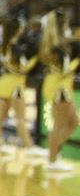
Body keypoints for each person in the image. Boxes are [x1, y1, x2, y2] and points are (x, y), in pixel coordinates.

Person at [37, 12, 77, 174]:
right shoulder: (58, 46)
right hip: (60, 87)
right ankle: (52, 160)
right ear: (62, 25)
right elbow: (65, 70)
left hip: (59, 85)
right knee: (59, 125)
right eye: (66, 23)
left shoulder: (55, 43)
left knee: (74, 122)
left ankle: (53, 153)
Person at [0, 17, 35, 157]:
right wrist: (36, 59)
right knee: (20, 117)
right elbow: (23, 68)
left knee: (0, 116)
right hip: (15, 84)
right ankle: (29, 147)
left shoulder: (3, 46)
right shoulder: (15, 47)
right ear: (17, 30)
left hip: (3, 82)